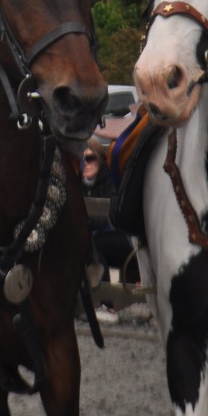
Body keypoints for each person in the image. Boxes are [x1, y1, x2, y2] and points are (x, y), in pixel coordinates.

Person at [82, 137, 137, 326]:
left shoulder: (110, 180)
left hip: (124, 241)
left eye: (90, 158)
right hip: (95, 240)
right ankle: (88, 304)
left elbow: (108, 215)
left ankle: (107, 305)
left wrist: (86, 222)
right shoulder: (77, 183)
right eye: (82, 159)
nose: (86, 164)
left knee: (93, 245)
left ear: (99, 159)